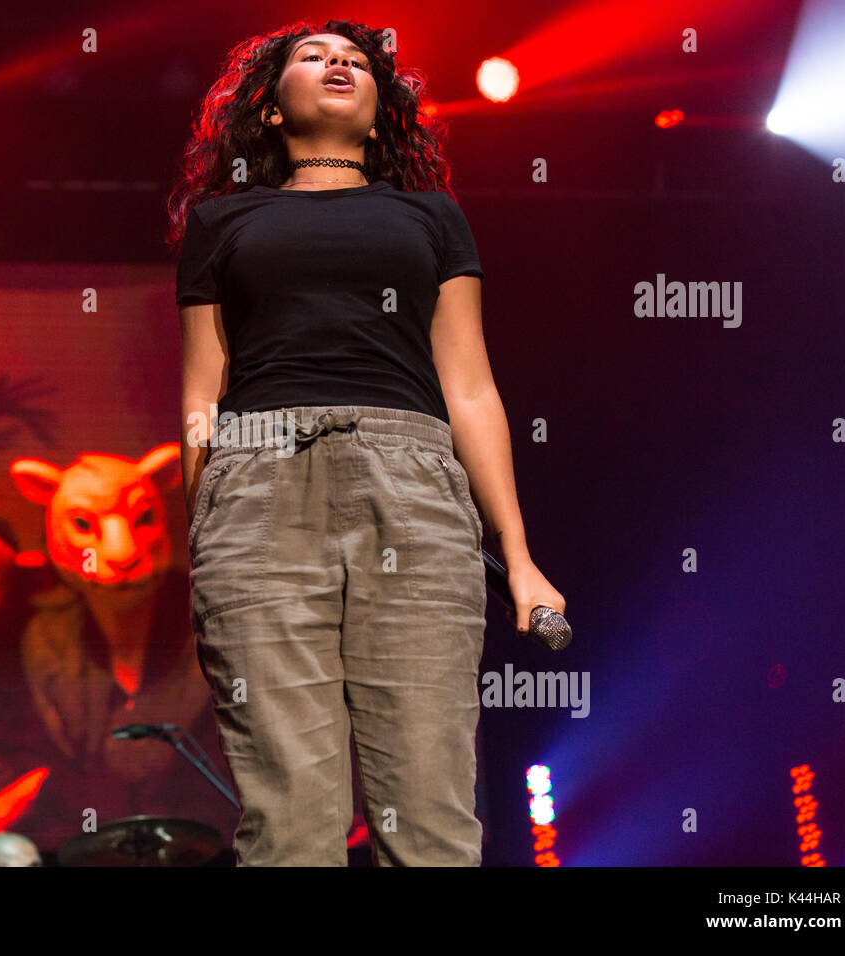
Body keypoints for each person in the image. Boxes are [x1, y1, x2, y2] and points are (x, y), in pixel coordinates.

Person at [169, 19, 566, 866]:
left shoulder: (430, 216)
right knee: (288, 825)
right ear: (271, 110)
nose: (338, 63)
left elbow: (470, 387)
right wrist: (200, 534)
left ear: (383, 114)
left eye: (355, 60)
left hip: (413, 487)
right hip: (256, 487)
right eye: (310, 56)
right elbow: (202, 392)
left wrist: (519, 555)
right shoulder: (222, 219)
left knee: (429, 819)